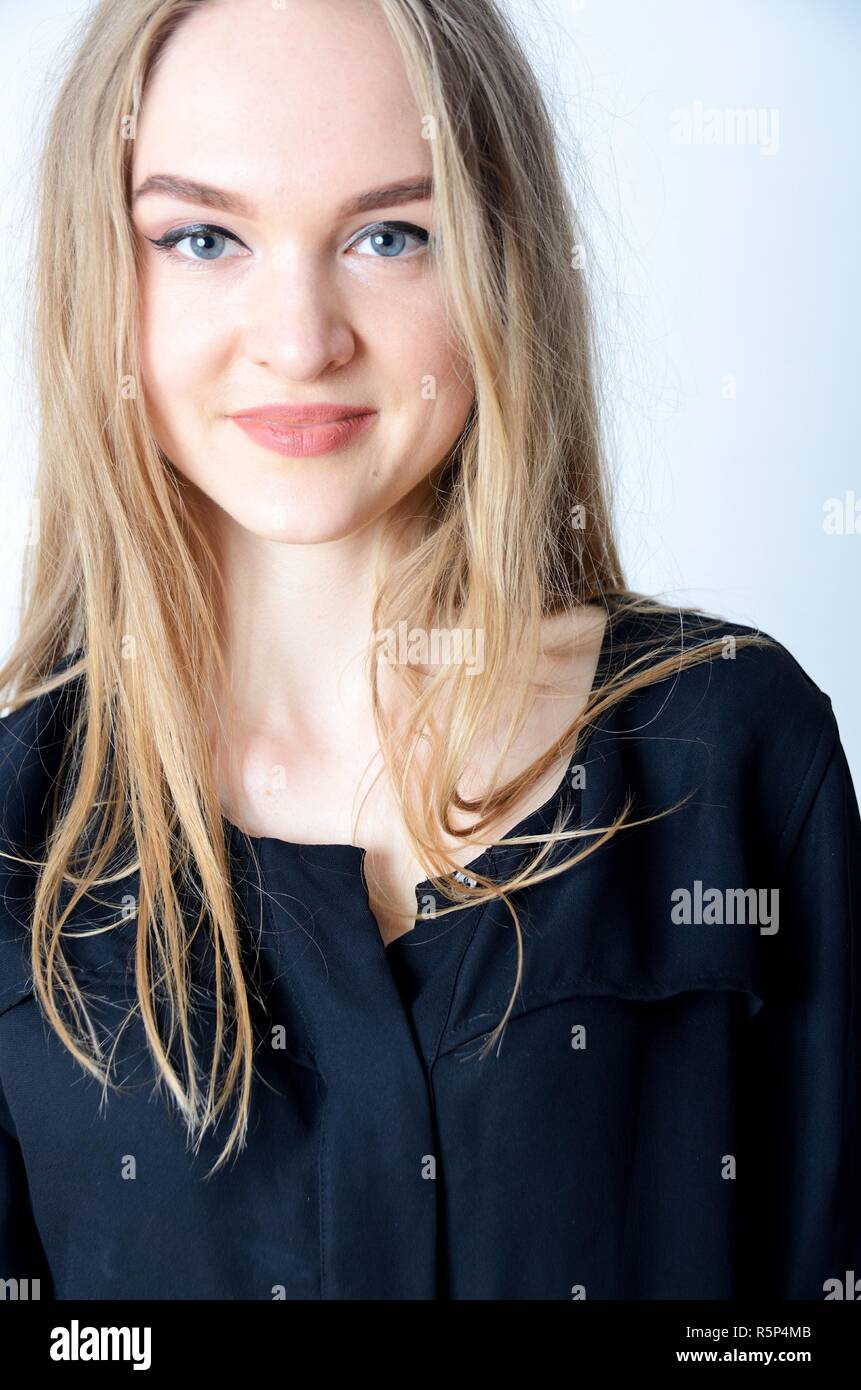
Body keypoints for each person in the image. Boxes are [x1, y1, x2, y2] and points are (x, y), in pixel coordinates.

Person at [0, 0, 857, 1301]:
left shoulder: (735, 750)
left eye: (388, 234)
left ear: (499, 262)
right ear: (96, 275)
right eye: (201, 236)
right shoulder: (14, 828)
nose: (300, 339)